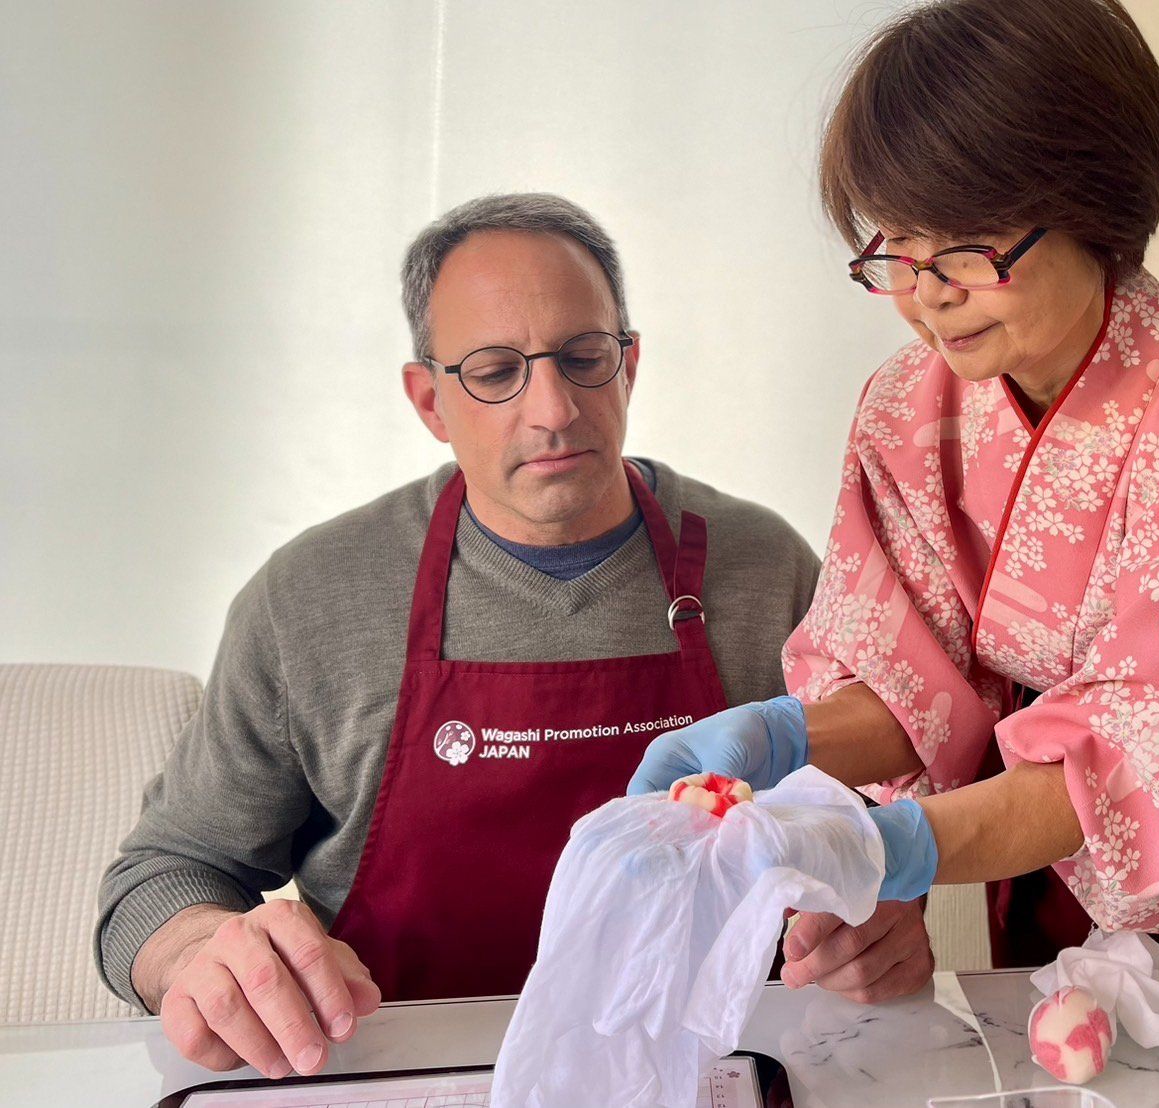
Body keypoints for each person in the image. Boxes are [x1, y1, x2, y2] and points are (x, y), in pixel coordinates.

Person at [629, 0, 1159, 982]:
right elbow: (910, 686)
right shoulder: (905, 406)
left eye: (968, 241)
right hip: (1026, 812)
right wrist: (782, 739)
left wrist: (889, 844)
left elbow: (1131, 746)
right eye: (898, 244)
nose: (929, 290)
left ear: (1095, 204)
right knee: (1052, 1046)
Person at [95, 193, 829, 1079]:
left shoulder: (765, 570)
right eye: (494, 372)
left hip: (706, 1068)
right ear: (429, 401)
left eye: (582, 358)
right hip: (398, 1077)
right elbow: (163, 873)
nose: (552, 409)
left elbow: (861, 821)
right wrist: (200, 950)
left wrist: (873, 912)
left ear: (628, 365)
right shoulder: (312, 598)